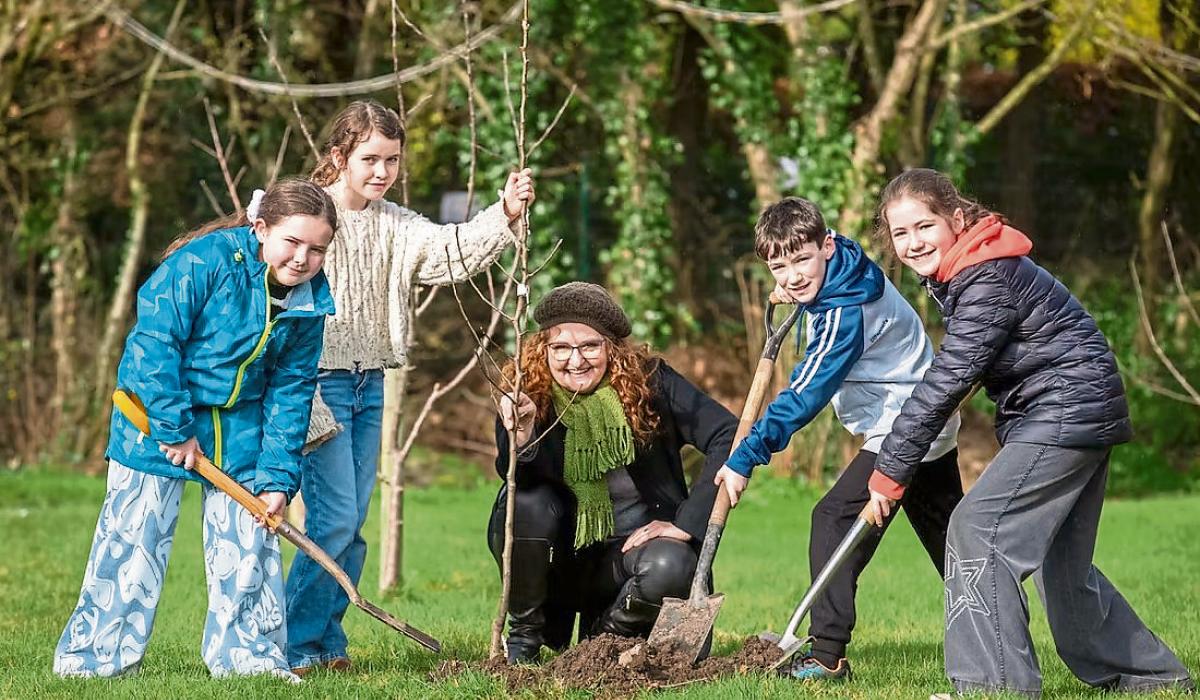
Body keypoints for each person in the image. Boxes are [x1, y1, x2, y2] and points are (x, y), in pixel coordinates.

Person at [866, 168, 1195, 697]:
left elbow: (949, 375)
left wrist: (890, 467)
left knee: (978, 530)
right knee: (1059, 564)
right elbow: (976, 367)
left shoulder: (986, 276)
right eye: (900, 233)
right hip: (1076, 409)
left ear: (955, 218)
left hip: (1066, 411)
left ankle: (991, 686)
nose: (913, 242)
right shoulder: (972, 269)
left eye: (923, 226)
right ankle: (1150, 675)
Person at [284, 99, 536, 675]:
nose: (381, 171)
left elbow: (452, 252)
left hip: (368, 384)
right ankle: (293, 644)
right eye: (369, 158)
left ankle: (326, 645)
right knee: (334, 521)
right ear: (338, 156)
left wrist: (504, 211)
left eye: (392, 160)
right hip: (313, 382)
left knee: (351, 525)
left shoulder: (396, 224)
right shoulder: (310, 219)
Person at [53, 179, 337, 682]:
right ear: (261, 228)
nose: (302, 259)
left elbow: (291, 391)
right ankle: (93, 662)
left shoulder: (309, 301)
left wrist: (276, 478)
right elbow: (154, 344)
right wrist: (174, 428)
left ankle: (250, 660)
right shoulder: (203, 263)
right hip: (156, 414)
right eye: (292, 242)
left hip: (239, 426)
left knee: (251, 539)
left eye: (317, 249)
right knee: (133, 541)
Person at [712, 197, 963, 682]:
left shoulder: (845, 314)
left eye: (802, 260)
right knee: (953, 542)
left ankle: (827, 655)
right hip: (929, 416)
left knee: (833, 517)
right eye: (778, 267)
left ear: (826, 246)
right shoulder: (846, 267)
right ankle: (994, 631)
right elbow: (811, 283)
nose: (793, 276)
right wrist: (801, 288)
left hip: (905, 425)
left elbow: (805, 394)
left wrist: (746, 455)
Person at [489, 282, 737, 664]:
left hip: (631, 559)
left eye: (590, 345)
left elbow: (728, 434)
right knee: (524, 502)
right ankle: (524, 641)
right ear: (543, 350)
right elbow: (518, 487)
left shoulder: (651, 384)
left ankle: (601, 646)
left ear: (612, 347)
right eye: (560, 348)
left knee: (671, 564)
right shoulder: (528, 396)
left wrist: (688, 522)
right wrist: (522, 437)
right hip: (561, 561)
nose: (575, 360)